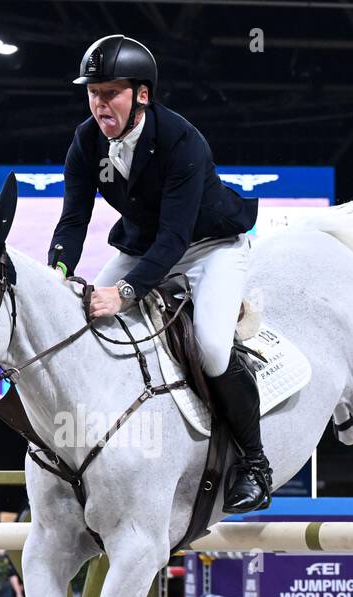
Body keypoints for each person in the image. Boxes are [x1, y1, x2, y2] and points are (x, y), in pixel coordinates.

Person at [47, 35, 269, 512]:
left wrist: (125, 292)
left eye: (111, 92)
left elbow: (175, 237)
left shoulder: (181, 140)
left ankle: (255, 463)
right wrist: (58, 270)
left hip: (210, 247)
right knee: (85, 321)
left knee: (211, 348)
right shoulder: (86, 142)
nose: (100, 103)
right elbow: (73, 220)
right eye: (93, 92)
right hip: (145, 245)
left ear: (141, 95)